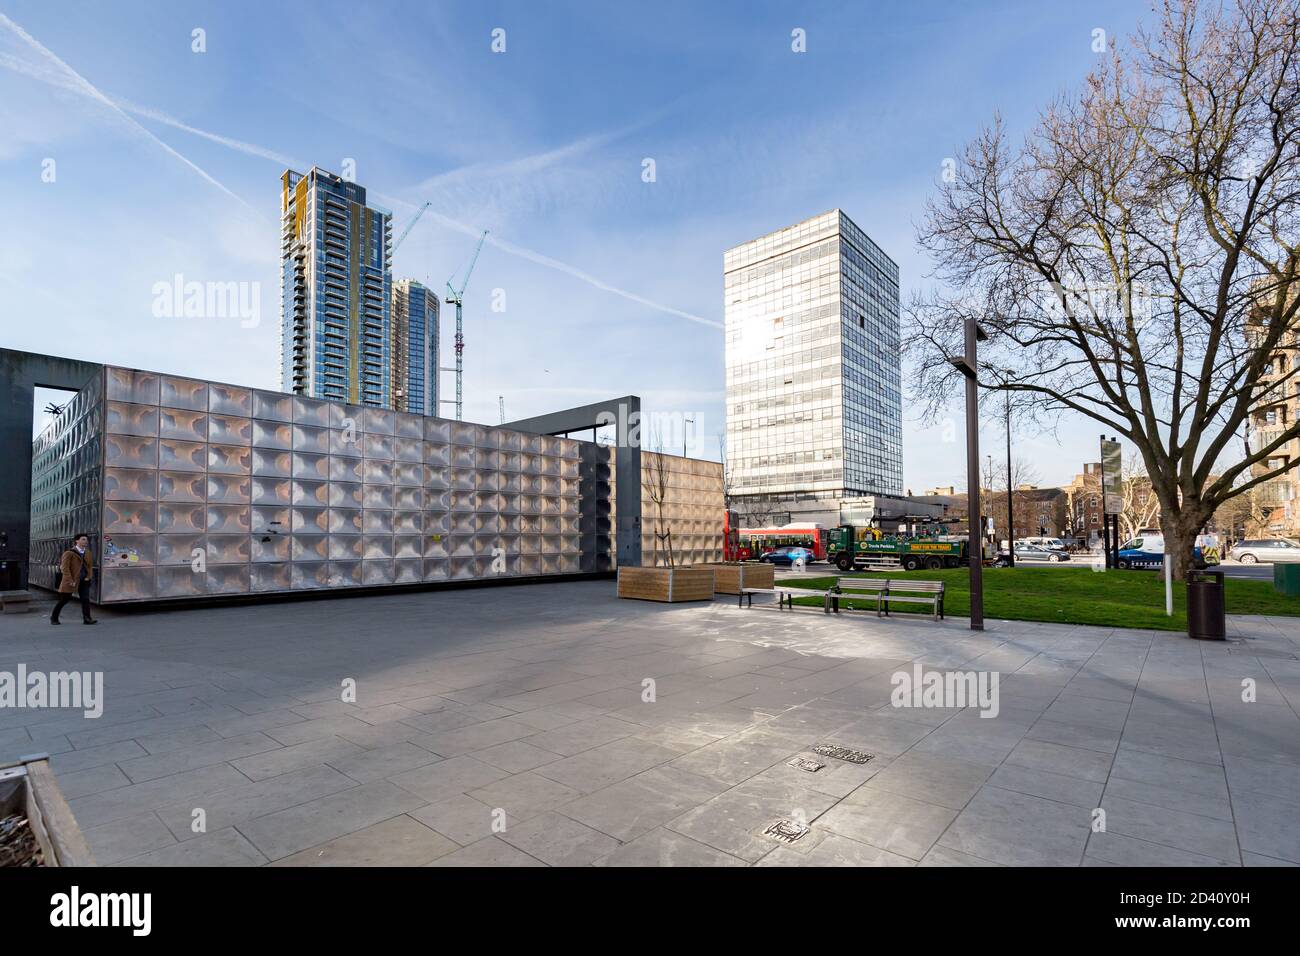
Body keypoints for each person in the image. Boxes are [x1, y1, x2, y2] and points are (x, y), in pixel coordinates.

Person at [51, 533, 97, 625]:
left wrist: (89, 576)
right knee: (64, 600)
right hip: (71, 581)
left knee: (85, 599)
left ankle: (87, 618)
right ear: (77, 541)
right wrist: (70, 580)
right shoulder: (69, 553)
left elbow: (89, 566)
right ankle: (54, 618)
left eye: (86, 540)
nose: (86, 541)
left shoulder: (88, 553)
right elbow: (65, 568)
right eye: (83, 539)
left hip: (84, 580)